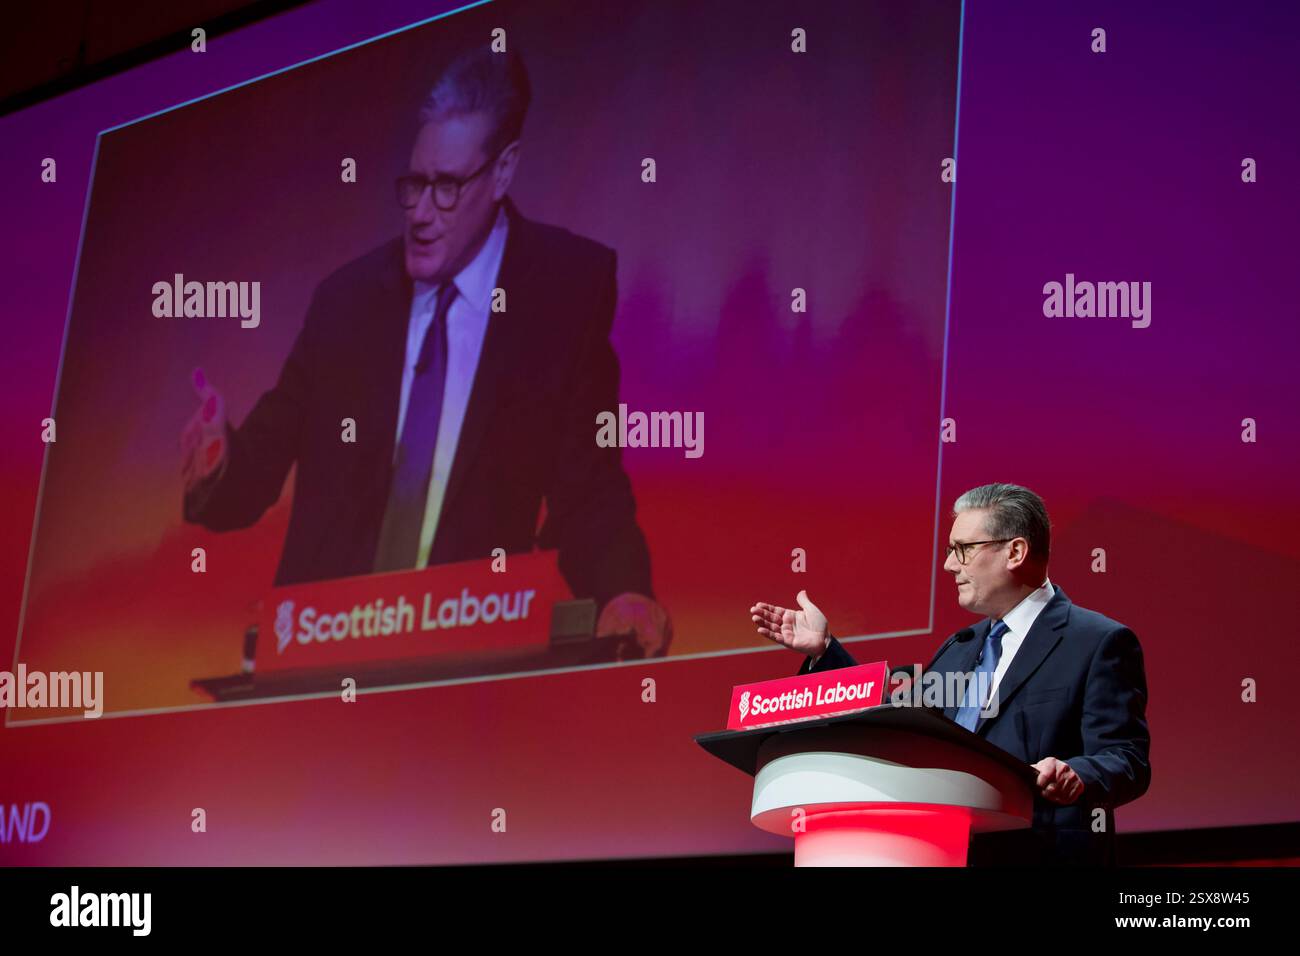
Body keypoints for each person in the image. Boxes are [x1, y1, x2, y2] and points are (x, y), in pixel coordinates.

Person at [180, 45, 670, 658]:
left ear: (503, 172)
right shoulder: (346, 302)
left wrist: (624, 591)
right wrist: (218, 463)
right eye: (413, 184)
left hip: (467, 679)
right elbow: (256, 471)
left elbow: (589, 491)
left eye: (446, 188)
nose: (420, 212)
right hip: (319, 667)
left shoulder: (565, 292)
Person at [749, 482, 1150, 864]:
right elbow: (895, 719)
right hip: (944, 853)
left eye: (962, 549)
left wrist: (1077, 774)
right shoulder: (961, 647)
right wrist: (824, 651)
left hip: (1043, 854)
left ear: (1015, 552)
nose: (947, 564)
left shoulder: (1097, 641)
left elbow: (1127, 759)